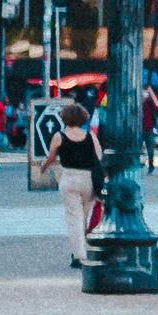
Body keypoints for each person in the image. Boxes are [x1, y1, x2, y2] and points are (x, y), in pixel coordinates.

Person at [48, 101, 100, 266]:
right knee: (83, 217)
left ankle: (78, 255)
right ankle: (81, 248)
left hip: (69, 178)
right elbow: (99, 158)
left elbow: (51, 157)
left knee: (73, 218)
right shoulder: (90, 136)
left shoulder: (60, 136)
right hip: (88, 180)